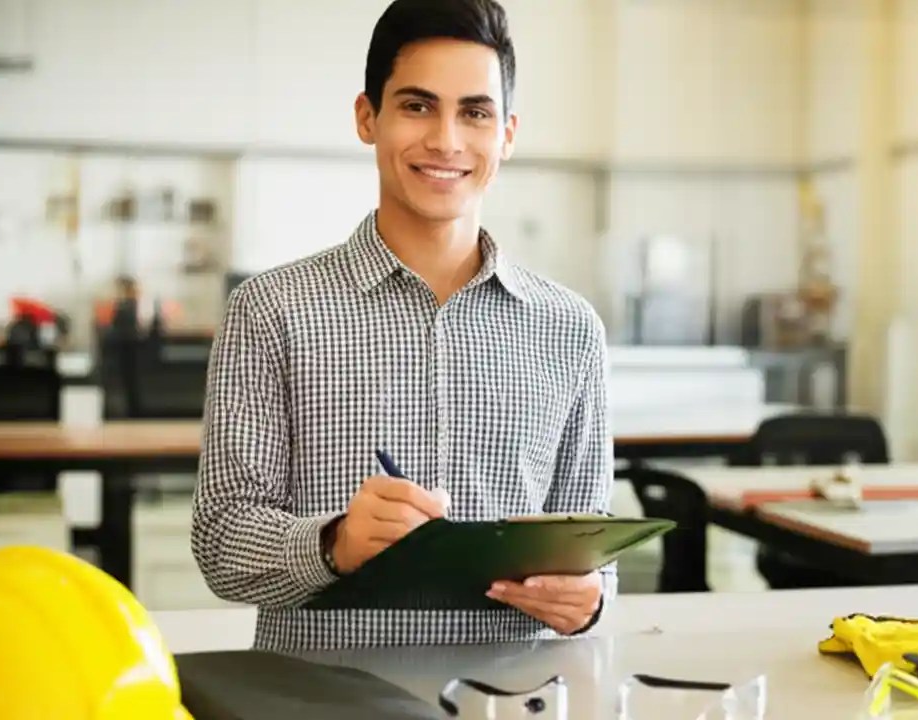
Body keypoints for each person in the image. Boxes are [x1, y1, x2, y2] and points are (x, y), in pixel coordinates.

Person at [191, 0, 614, 651]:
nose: (447, 140)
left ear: (506, 133)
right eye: (417, 106)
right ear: (368, 117)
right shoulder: (270, 310)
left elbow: (594, 545)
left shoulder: (570, 329)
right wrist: (333, 544)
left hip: (513, 695)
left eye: (475, 112)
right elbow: (221, 541)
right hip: (321, 699)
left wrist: (589, 600)